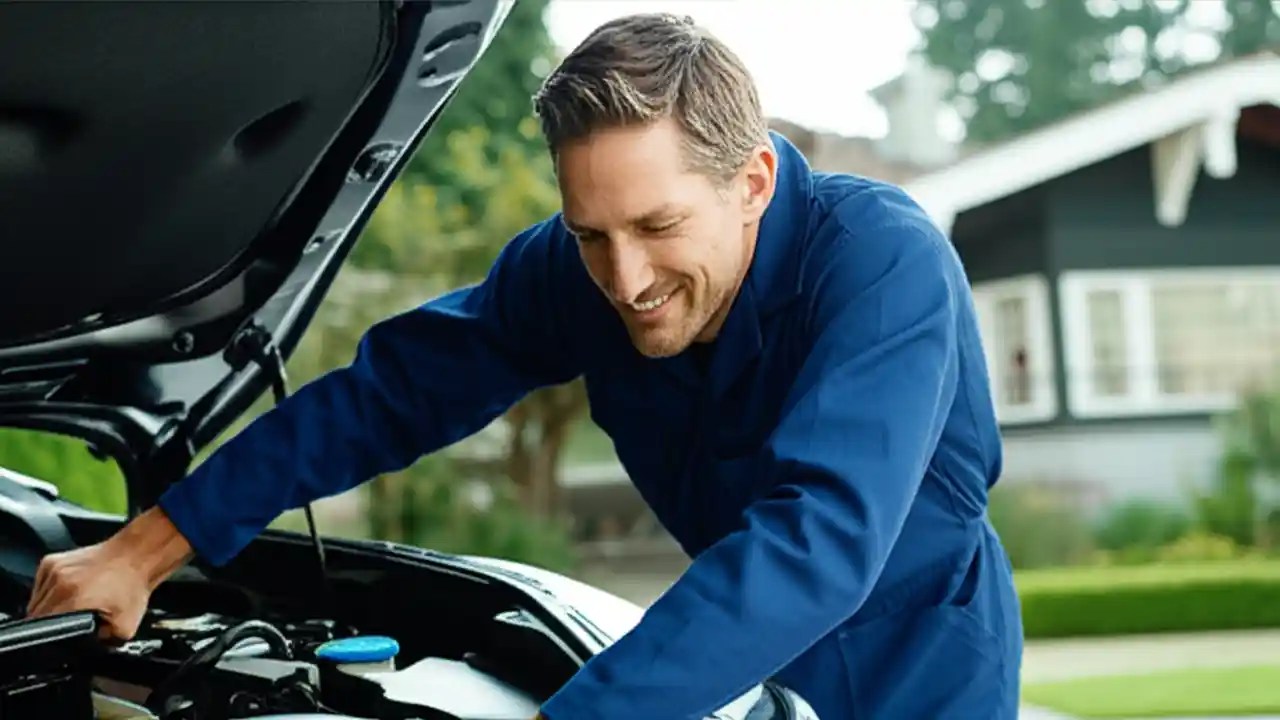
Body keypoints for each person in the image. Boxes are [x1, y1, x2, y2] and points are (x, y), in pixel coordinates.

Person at [27, 13, 1023, 719]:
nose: (623, 279)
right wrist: (143, 548)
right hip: (723, 661)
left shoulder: (878, 262)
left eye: (656, 225)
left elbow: (817, 541)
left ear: (751, 181)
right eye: (590, 231)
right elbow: (389, 397)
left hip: (920, 666)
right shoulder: (571, 273)